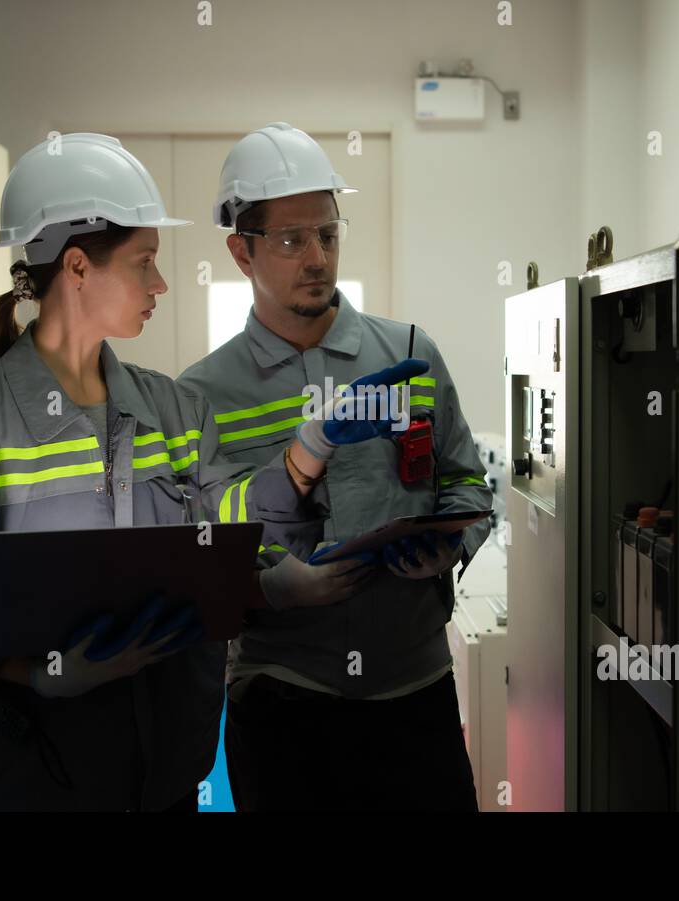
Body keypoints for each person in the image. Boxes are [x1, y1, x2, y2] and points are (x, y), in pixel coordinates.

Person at [0, 132, 421, 811]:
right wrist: (36, 670)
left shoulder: (173, 410)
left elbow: (230, 523)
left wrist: (307, 452)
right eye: (144, 262)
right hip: (33, 782)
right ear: (78, 267)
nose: (161, 284)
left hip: (167, 779)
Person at [177, 123, 493, 811]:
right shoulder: (201, 396)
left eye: (328, 233)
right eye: (292, 240)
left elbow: (468, 480)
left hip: (415, 690)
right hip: (284, 700)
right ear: (241, 251)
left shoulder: (409, 354)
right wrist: (270, 590)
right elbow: (196, 555)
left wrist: (450, 544)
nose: (318, 257)